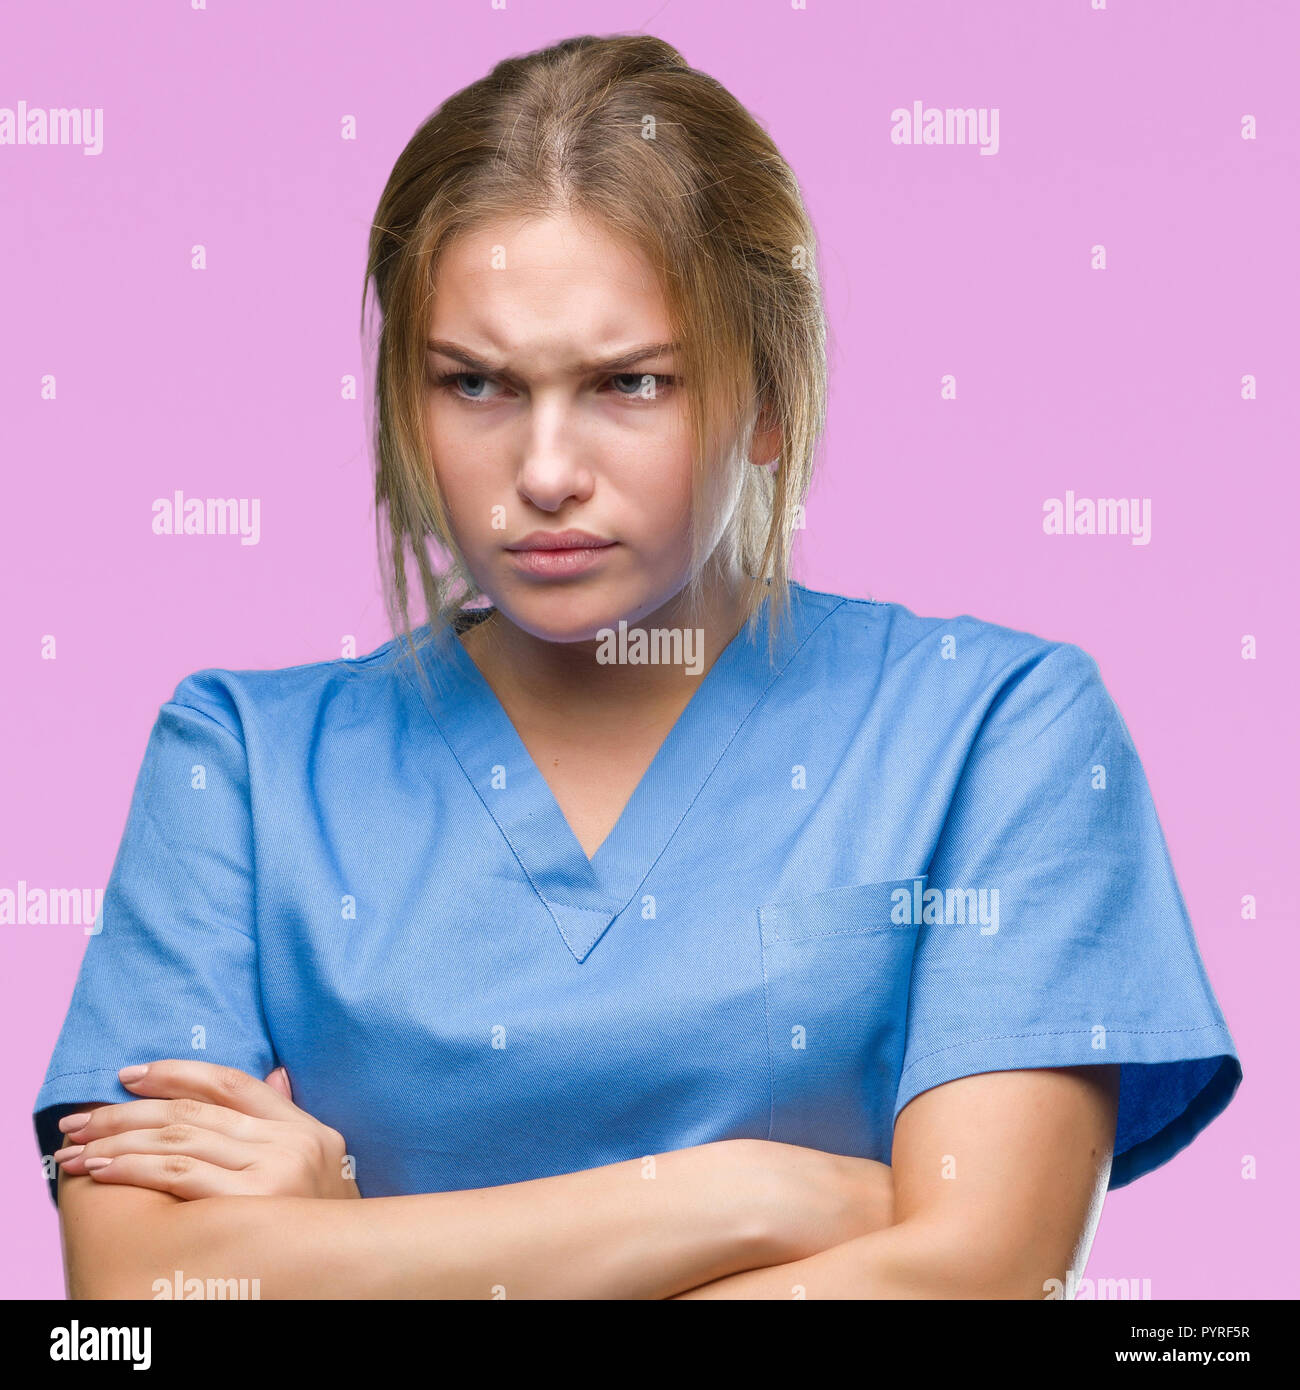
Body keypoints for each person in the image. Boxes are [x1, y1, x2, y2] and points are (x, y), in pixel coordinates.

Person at [33, 33, 1240, 1300]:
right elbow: (138, 1305)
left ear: (769, 394)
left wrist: (341, 1244)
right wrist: (761, 1192)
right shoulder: (238, 764)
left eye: (628, 381)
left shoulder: (1000, 730)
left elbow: (978, 1278)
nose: (545, 470)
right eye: (478, 384)